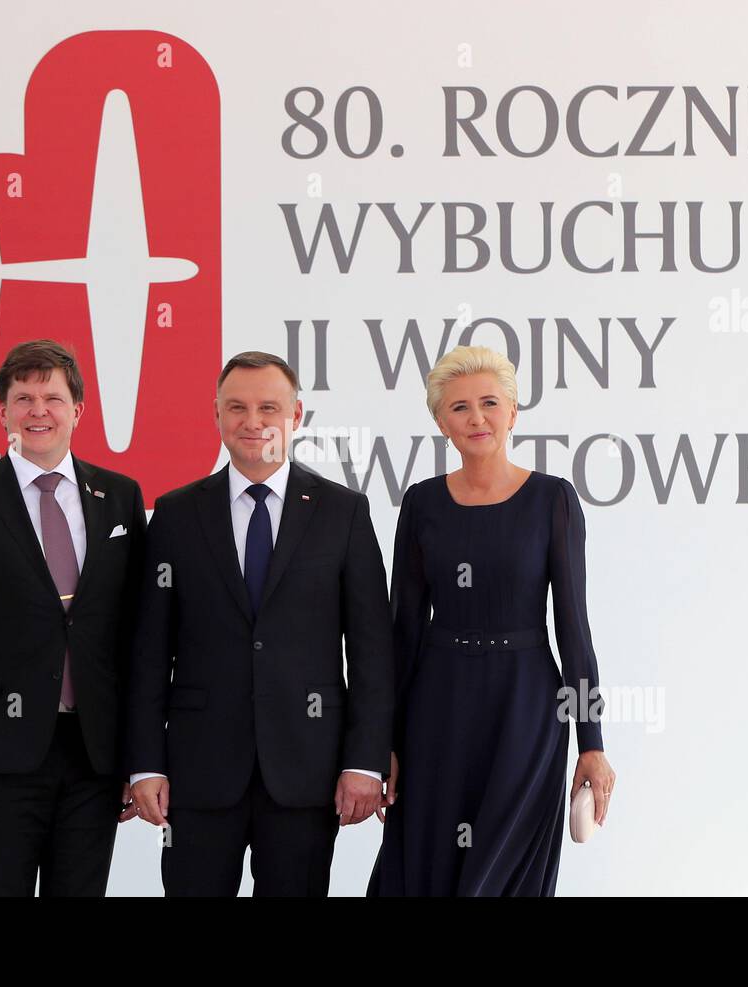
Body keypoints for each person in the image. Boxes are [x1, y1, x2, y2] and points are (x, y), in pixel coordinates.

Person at [127, 351, 394, 896]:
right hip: (198, 773)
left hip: (306, 770)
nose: (253, 422)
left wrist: (365, 762)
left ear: (296, 415)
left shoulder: (343, 513)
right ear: (217, 415)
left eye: (268, 408)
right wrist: (144, 764)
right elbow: (148, 651)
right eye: (237, 408)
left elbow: (372, 651)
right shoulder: (175, 514)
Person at [368, 344, 617, 896]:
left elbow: (574, 630)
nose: (476, 418)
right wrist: (380, 741)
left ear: (513, 411)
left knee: (505, 876)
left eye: (489, 403)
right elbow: (403, 629)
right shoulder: (422, 503)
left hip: (527, 711)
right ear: (440, 422)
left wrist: (592, 743)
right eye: (459, 408)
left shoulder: (553, 499)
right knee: (426, 872)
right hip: (436, 712)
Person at [0, 339, 146, 895]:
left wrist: (139, 761)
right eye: (23, 398)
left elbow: (136, 636)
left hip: (95, 761)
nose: (38, 411)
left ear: (77, 410)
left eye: (53, 398)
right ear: (3, 412)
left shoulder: (119, 497)